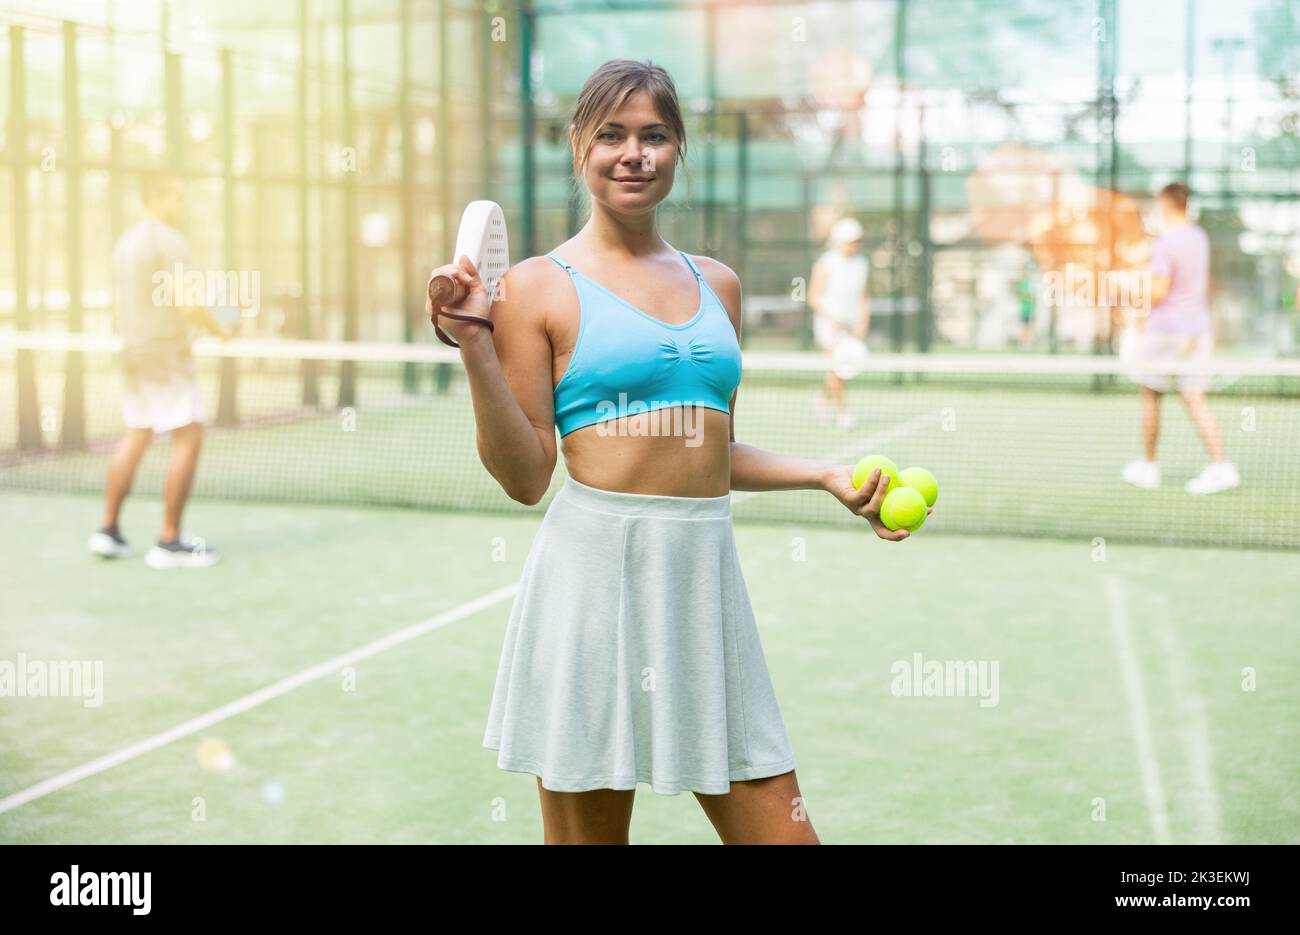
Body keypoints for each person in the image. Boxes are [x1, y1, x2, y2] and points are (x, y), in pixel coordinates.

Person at [427, 59, 929, 845]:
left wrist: (825, 475)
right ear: (579, 149)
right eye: (613, 136)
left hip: (704, 587)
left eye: (654, 135)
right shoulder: (534, 286)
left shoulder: (717, 285)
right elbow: (526, 475)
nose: (634, 153)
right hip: (591, 584)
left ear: (678, 150)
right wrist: (474, 347)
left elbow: (708, 449)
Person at [87, 172, 231, 568]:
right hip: (164, 354)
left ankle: (108, 531)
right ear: (160, 199)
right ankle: (169, 542)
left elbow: (119, 304)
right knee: (188, 436)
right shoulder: (171, 241)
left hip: (132, 351)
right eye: (179, 198)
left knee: (137, 433)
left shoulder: (125, 244)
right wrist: (221, 328)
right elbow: (186, 302)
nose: (184, 205)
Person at [1122, 182, 1238, 495]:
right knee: (1195, 398)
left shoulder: (1165, 243)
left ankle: (1149, 466)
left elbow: (1158, 293)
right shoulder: (1199, 238)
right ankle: (1221, 465)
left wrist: (1132, 292)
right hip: (1196, 331)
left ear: (1165, 203)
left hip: (1165, 332)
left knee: (1150, 395)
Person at [808, 217, 871, 428]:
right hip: (828, 325)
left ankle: (821, 398)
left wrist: (863, 321)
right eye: (849, 241)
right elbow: (813, 296)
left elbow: (863, 295)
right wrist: (831, 317)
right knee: (837, 367)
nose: (853, 245)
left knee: (839, 369)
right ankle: (843, 414)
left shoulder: (862, 264)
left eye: (856, 241)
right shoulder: (826, 263)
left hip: (851, 325)